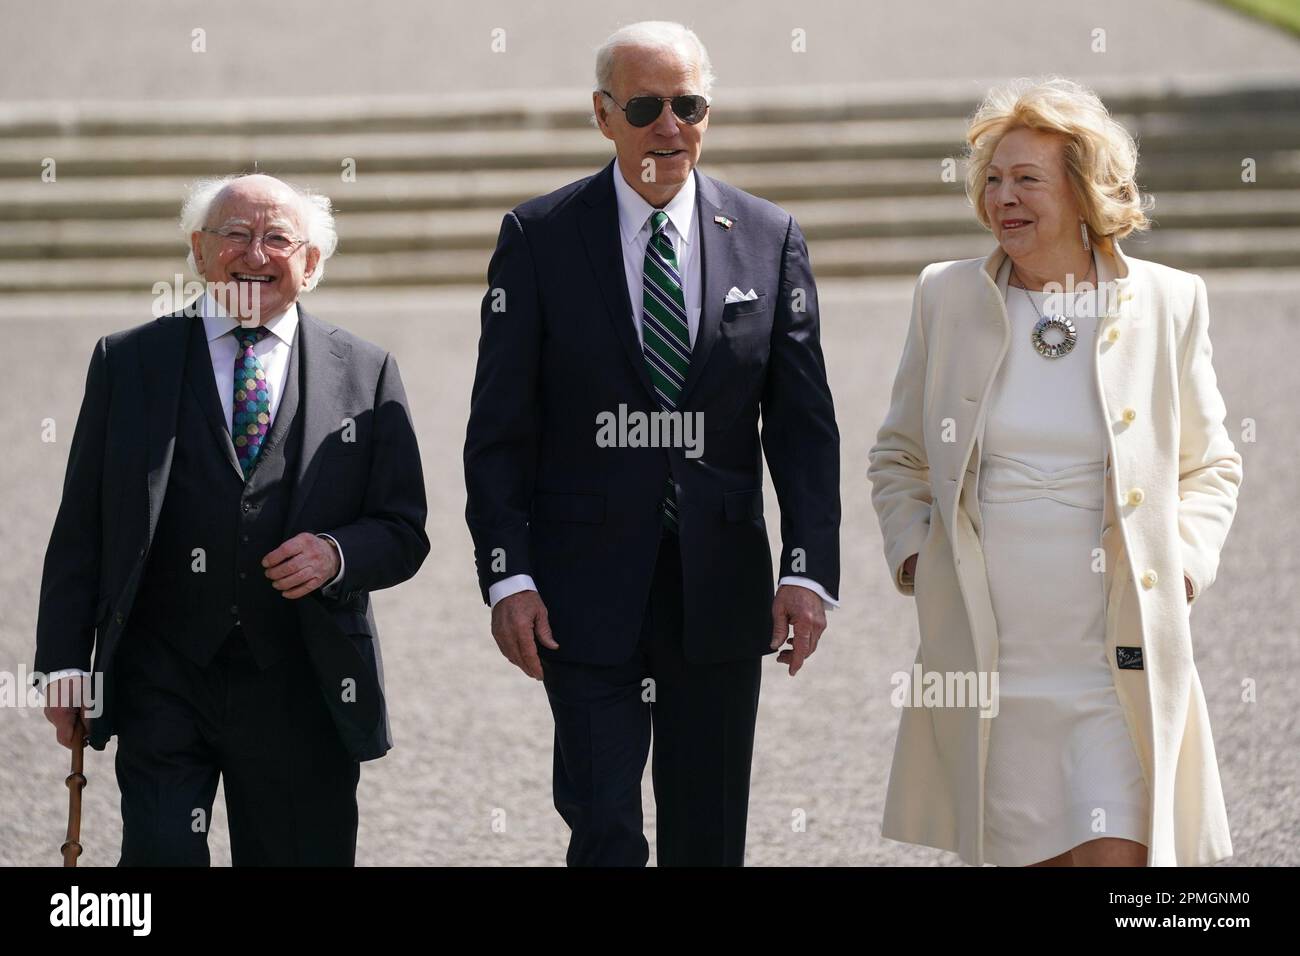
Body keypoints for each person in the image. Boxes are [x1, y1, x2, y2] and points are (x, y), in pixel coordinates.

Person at [464, 21, 840, 866]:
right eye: (644, 106)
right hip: (578, 593)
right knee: (604, 828)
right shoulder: (538, 237)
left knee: (708, 833)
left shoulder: (770, 236)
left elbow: (803, 426)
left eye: (688, 104)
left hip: (721, 587)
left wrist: (808, 569)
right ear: (603, 115)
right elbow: (498, 430)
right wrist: (507, 575)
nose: (668, 127)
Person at [867, 77, 1243, 867]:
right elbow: (899, 453)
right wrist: (916, 556)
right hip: (994, 668)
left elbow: (1210, 464)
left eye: (1028, 179)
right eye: (993, 179)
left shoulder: (1170, 303)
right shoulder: (945, 297)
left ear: (1083, 192)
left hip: (1113, 666)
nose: (1004, 197)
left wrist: (1181, 568)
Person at [36, 173, 430, 865]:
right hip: (165, 676)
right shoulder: (128, 362)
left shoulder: (365, 371)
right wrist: (65, 665)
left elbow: (403, 527)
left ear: (310, 264)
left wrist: (337, 554)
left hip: (303, 682)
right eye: (235, 235)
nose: (255, 254)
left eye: (277, 238)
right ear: (198, 250)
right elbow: (83, 527)